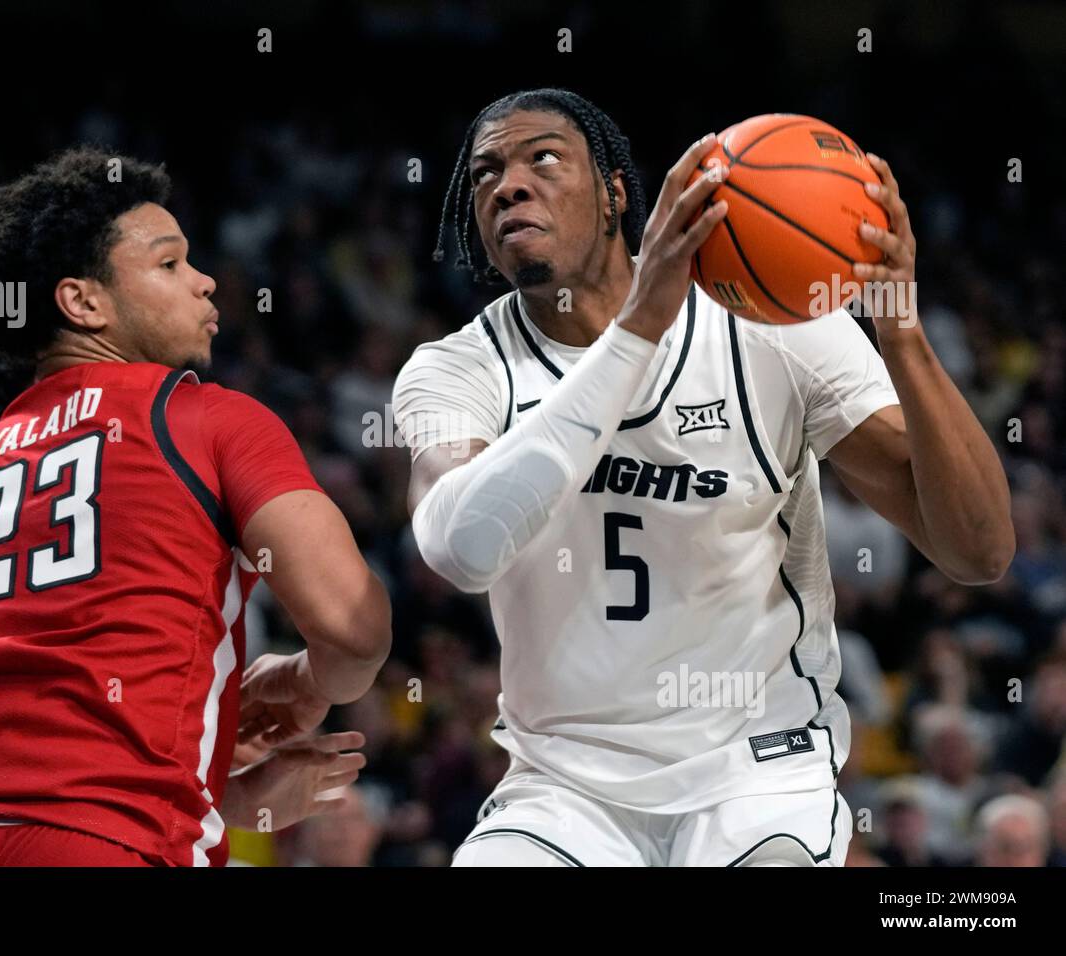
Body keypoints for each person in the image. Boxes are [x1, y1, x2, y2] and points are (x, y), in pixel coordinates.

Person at [393, 88, 1014, 866]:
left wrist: (903, 335)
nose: (508, 184)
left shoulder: (778, 332)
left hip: (756, 763)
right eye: (485, 174)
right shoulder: (456, 370)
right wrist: (636, 331)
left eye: (543, 158)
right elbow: (461, 550)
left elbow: (978, 552)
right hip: (564, 785)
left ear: (618, 193)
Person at [0, 146, 391, 867]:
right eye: (169, 264)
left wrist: (217, 797)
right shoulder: (208, 420)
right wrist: (304, 683)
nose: (205, 283)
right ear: (84, 302)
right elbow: (352, 628)